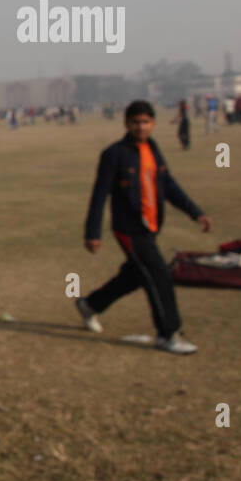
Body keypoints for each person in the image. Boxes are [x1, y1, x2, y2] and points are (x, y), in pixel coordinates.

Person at [77, 100, 212, 354]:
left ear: (153, 124)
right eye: (136, 122)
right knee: (159, 275)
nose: (141, 127)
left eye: (146, 122)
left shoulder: (152, 148)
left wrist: (196, 213)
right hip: (129, 228)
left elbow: (168, 185)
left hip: (150, 226)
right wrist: (92, 233)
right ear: (126, 124)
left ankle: (90, 305)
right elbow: (99, 195)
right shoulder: (114, 153)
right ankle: (169, 334)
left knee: (136, 275)